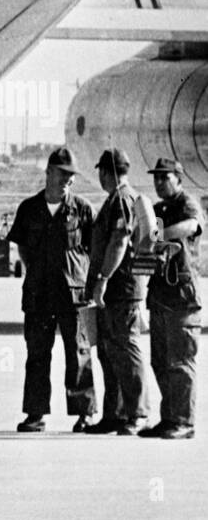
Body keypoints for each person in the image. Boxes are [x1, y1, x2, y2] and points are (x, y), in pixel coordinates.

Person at [7, 148, 97, 432]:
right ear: (48, 173)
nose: (67, 181)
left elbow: (93, 248)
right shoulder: (29, 208)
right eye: (62, 175)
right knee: (37, 354)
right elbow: (21, 246)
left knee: (78, 352)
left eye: (71, 176)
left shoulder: (82, 209)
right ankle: (35, 414)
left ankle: (85, 413)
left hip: (73, 293)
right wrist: (36, 270)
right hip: (38, 294)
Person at [85, 149, 153, 435]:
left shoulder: (123, 199)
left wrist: (102, 278)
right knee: (110, 351)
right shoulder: (118, 198)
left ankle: (138, 413)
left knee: (126, 349)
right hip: (114, 290)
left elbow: (119, 242)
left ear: (104, 172)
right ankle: (115, 414)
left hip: (121, 288)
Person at [142, 158, 201, 440]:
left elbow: (191, 225)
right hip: (160, 295)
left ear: (178, 178)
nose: (159, 182)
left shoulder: (186, 203)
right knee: (161, 361)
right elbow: (147, 239)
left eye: (164, 177)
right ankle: (169, 418)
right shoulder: (157, 210)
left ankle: (183, 422)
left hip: (181, 296)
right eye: (156, 178)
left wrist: (160, 236)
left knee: (181, 361)